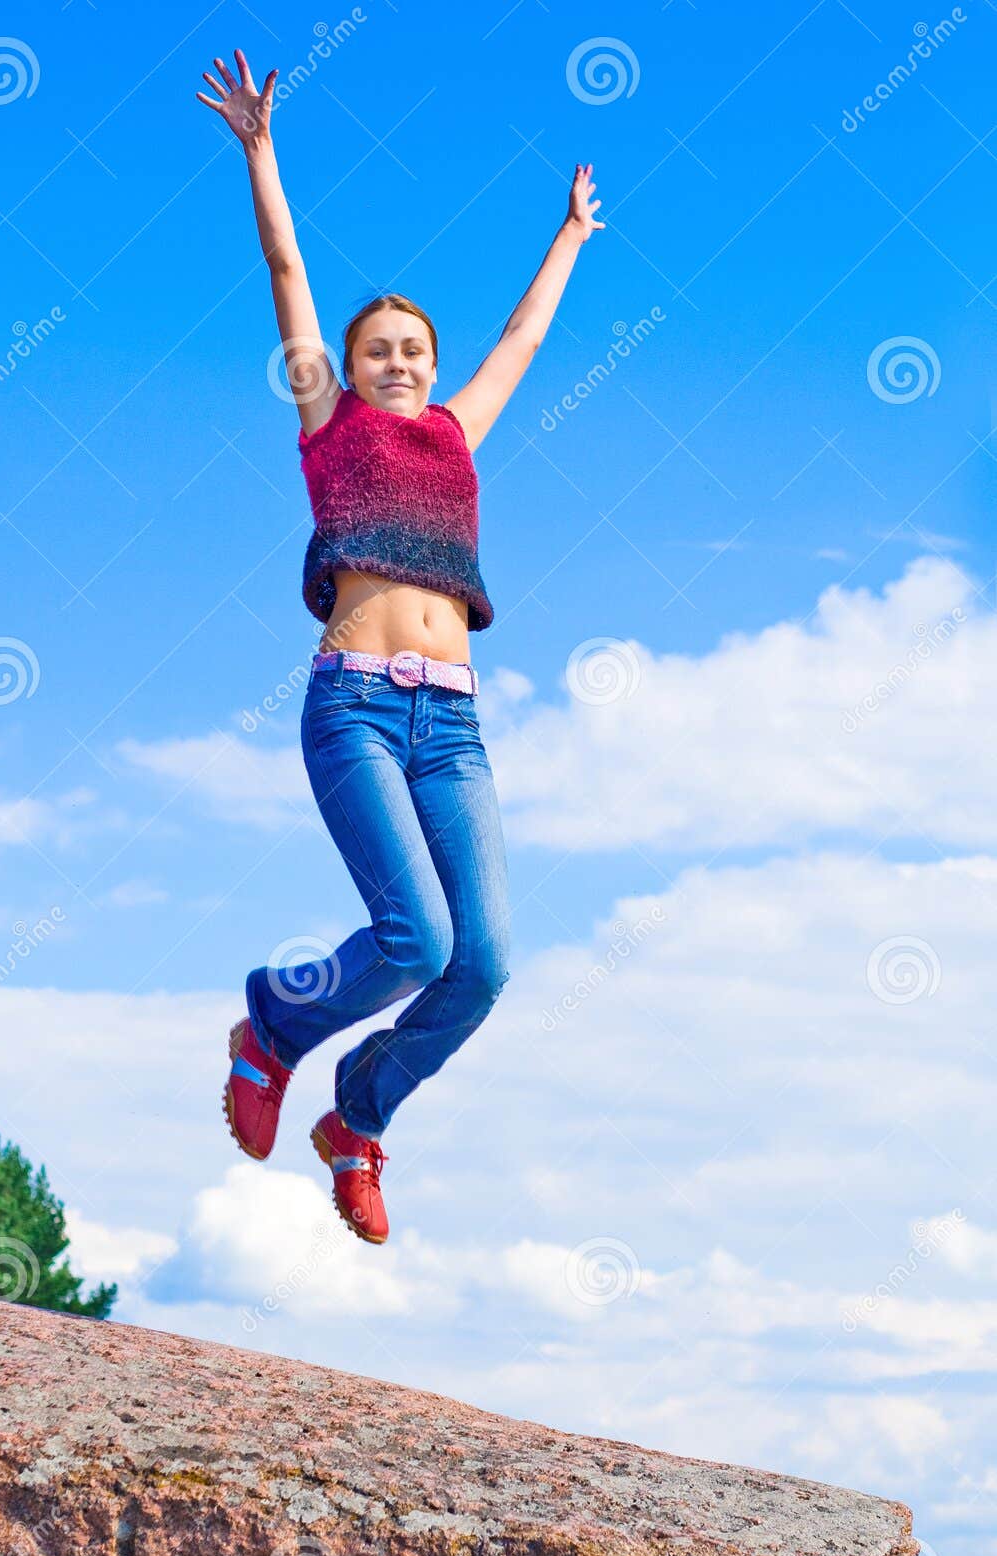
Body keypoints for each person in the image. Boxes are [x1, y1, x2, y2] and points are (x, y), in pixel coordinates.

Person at [197, 49, 604, 1245]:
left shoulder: (458, 434)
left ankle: (358, 1119)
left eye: (414, 350)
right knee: (411, 937)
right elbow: (286, 273)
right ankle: (274, 1026)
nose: (398, 361)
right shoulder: (329, 427)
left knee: (480, 964)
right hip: (357, 706)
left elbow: (523, 342)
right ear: (353, 369)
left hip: (455, 727)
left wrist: (570, 237)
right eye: (380, 348)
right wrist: (263, 154)